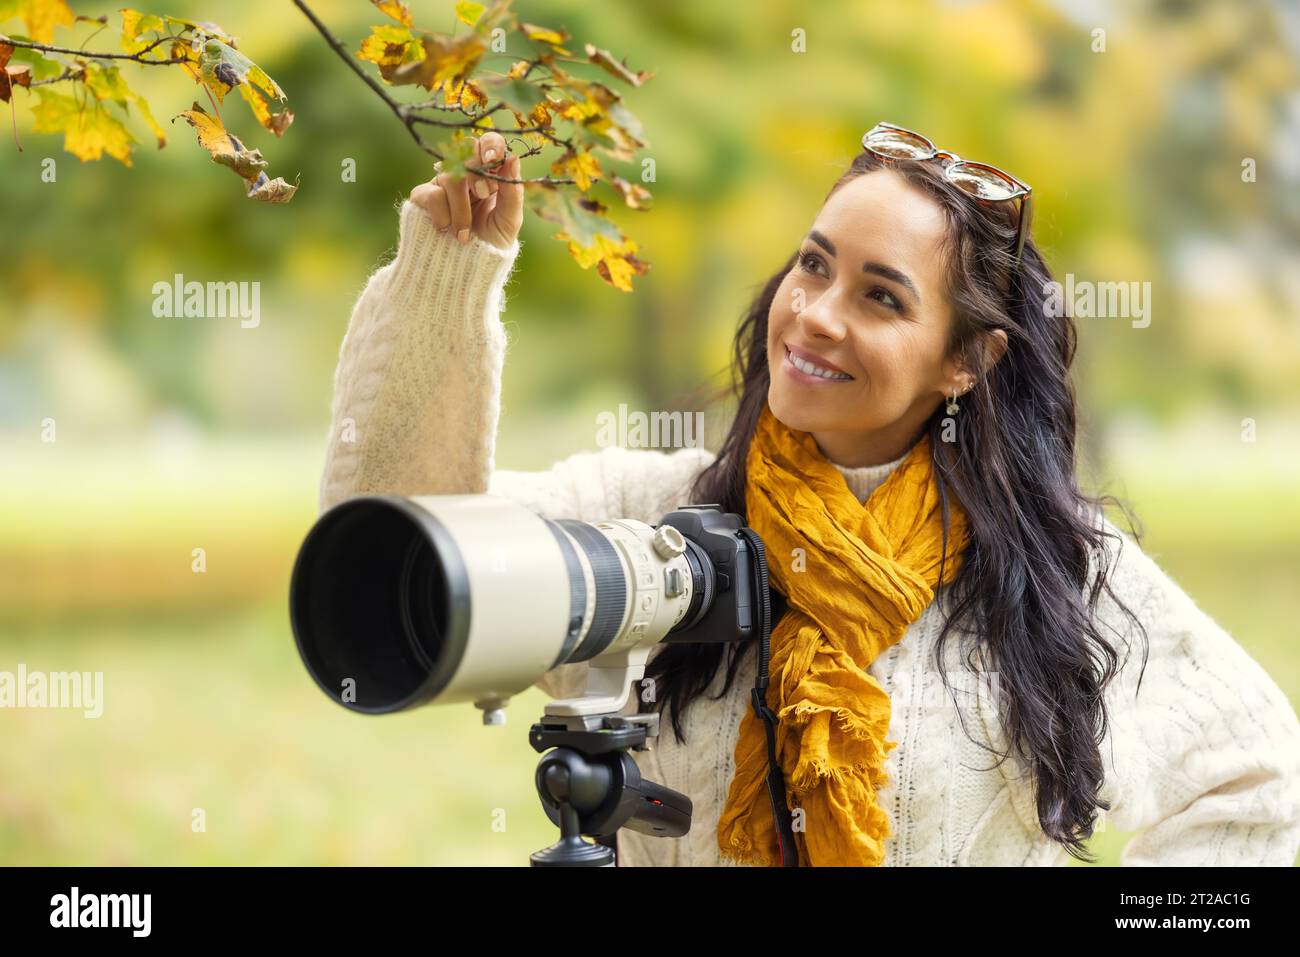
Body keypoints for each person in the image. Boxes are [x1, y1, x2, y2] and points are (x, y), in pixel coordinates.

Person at [318, 127, 1300, 867]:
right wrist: (447, 285)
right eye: (813, 264)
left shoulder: (1054, 579)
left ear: (966, 358)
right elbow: (399, 556)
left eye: (880, 296)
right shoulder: (644, 517)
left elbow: (1258, 789)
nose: (815, 315)